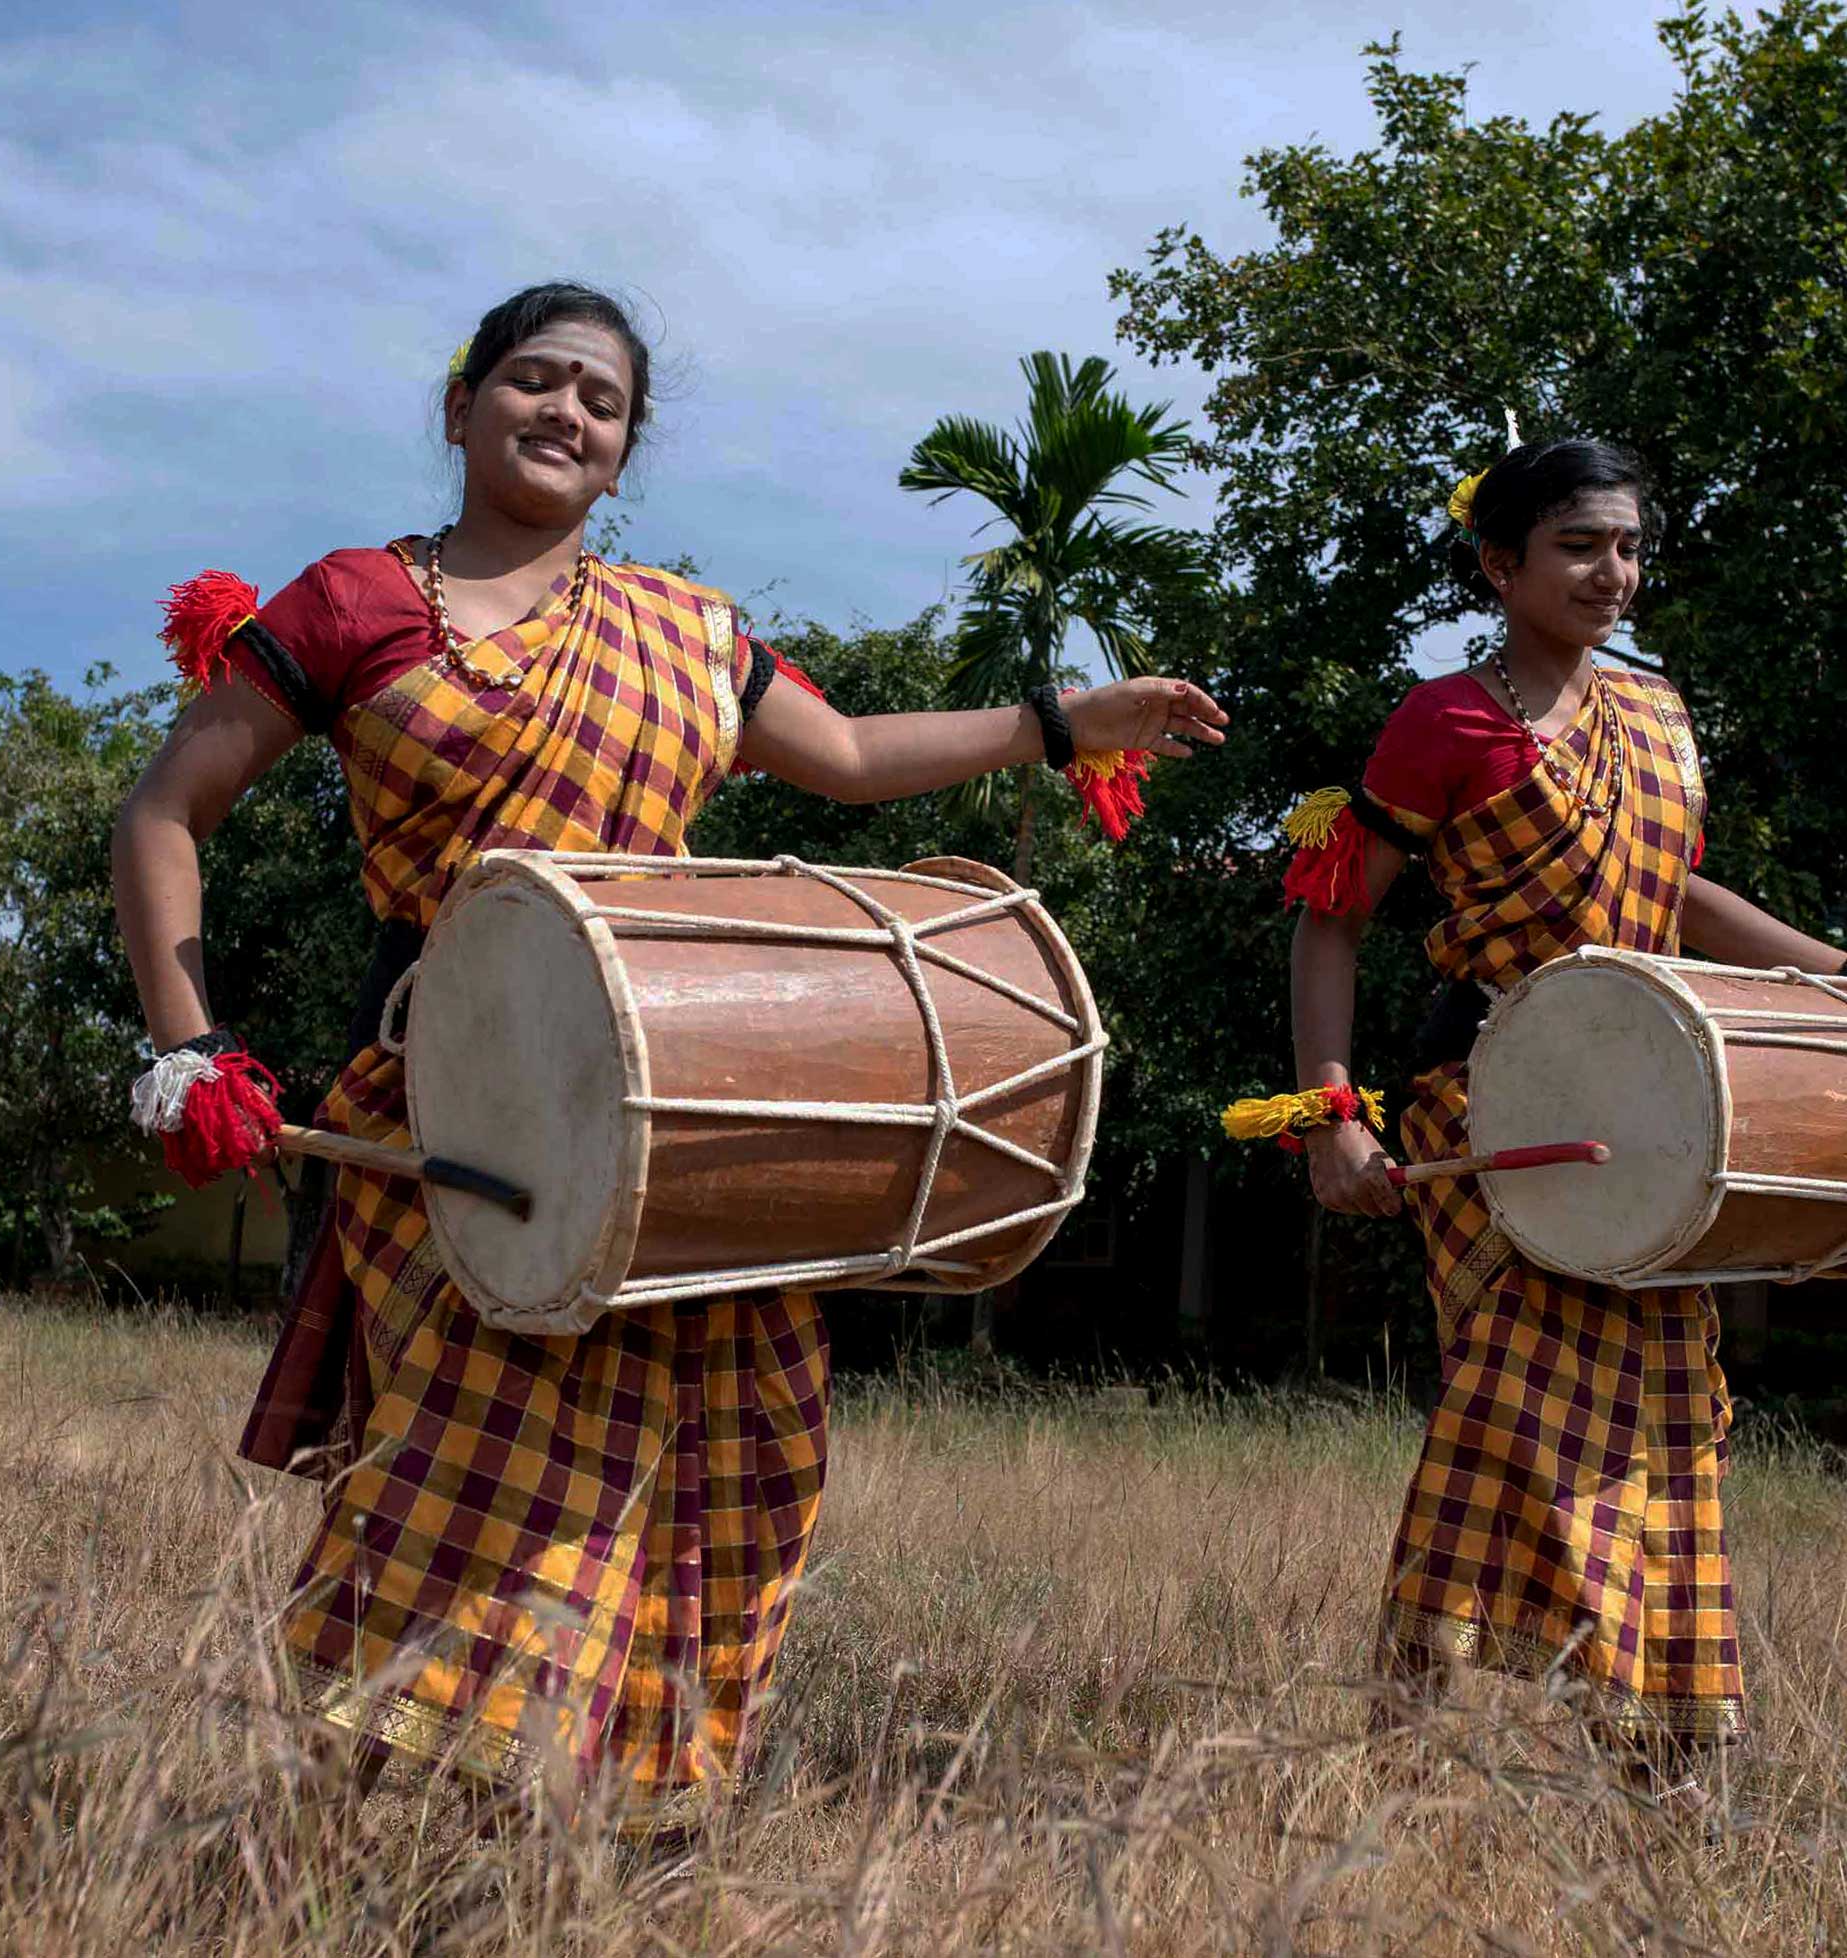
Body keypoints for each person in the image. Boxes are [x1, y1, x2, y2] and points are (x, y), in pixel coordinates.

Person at [110, 282, 1224, 1838]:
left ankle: (614, 1839)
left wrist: (1057, 720)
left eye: (602, 400)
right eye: (534, 379)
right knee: (470, 1484)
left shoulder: (685, 631)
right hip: (451, 1118)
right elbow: (165, 811)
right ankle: (389, 1849)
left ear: (625, 454)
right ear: (462, 406)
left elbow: (842, 760)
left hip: (681, 1122)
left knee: (723, 1475)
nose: (564, 411)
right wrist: (191, 1046)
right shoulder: (356, 601)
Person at [1277, 435, 1847, 1802]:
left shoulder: (1659, 715)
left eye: (1631, 547)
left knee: (1658, 1432)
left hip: (1651, 1136)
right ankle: (1400, 1759)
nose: (1615, 572)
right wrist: (1329, 1117)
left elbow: (1681, 903)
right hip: (1489, 1122)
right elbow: (1331, 917)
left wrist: (1841, 971)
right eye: (1582, 546)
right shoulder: (1439, 724)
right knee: (1499, 1410)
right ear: (1501, 566)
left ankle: (1664, 1765)